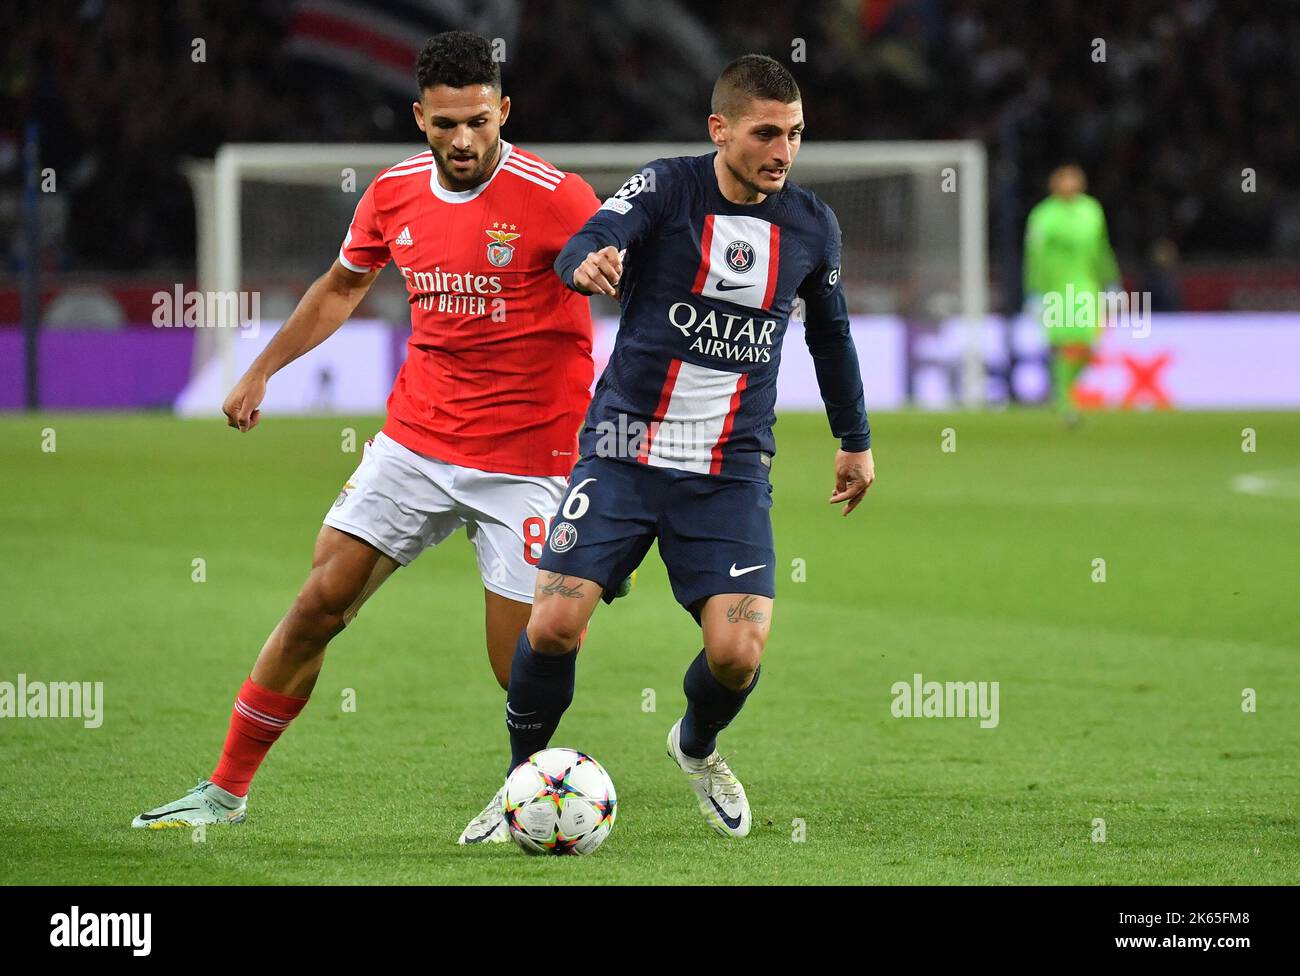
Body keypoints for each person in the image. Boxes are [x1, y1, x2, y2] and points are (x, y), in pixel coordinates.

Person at [132, 31, 604, 842]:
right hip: (416, 442)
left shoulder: (561, 198)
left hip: (529, 459)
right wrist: (260, 369)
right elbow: (341, 287)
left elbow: (633, 276)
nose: (464, 140)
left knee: (524, 660)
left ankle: (525, 794)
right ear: (421, 117)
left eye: (480, 122)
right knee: (317, 603)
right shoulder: (391, 194)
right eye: (447, 123)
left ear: (505, 114)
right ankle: (223, 790)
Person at [464, 54, 875, 841]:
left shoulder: (812, 225)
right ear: (719, 130)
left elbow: (831, 336)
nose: (783, 150)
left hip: (728, 470)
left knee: (738, 653)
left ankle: (695, 744)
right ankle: (522, 780)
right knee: (551, 625)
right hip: (622, 452)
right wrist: (585, 261)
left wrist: (854, 441)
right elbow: (592, 234)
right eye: (765, 133)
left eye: (794, 134)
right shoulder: (667, 186)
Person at [1023, 163, 1120, 422]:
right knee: (1065, 345)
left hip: (1087, 287)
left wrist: (1111, 281)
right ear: (1054, 185)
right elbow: (1034, 257)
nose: (1070, 185)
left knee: (1088, 345)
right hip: (1056, 289)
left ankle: (1061, 391)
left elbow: (1101, 249)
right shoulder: (1043, 215)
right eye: (1064, 180)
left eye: (1074, 180)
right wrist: (1034, 291)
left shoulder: (1092, 210)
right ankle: (1066, 402)